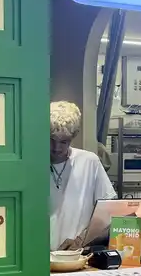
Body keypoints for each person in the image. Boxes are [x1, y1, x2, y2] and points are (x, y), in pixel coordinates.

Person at [50, 101, 117, 250]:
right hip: (37, 254)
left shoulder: (89, 162)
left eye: (64, 142)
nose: (56, 148)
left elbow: (108, 212)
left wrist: (82, 239)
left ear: (74, 136)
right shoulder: (32, 165)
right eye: (51, 140)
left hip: (77, 255)